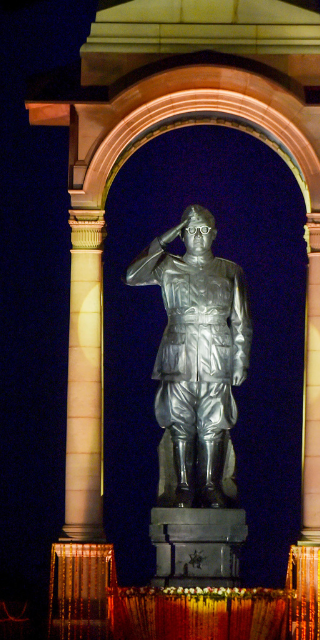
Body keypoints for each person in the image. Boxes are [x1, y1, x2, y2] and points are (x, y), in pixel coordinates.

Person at [125, 205, 251, 509]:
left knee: (214, 422)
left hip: (217, 355)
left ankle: (211, 487)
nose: (198, 236)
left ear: (215, 234)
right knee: (179, 422)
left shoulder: (230, 270)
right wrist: (166, 237)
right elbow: (132, 275)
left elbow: (241, 321)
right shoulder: (168, 266)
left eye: (205, 230)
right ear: (182, 234)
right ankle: (182, 487)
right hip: (178, 354)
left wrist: (240, 359)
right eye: (191, 230)